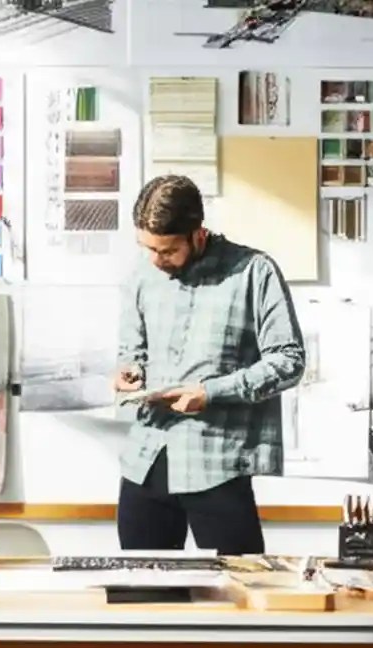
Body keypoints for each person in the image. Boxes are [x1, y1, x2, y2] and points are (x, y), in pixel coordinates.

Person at [114, 174, 305, 555]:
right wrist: (128, 369)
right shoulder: (143, 272)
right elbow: (131, 349)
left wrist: (210, 393)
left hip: (217, 463)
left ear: (198, 234)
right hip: (147, 460)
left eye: (168, 251)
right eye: (148, 248)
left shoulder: (254, 272)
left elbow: (289, 360)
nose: (156, 260)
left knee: (240, 585)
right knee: (139, 585)